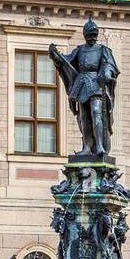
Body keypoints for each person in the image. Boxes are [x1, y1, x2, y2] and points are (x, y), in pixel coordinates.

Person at [48, 18, 119, 158]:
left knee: (96, 111)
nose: (92, 38)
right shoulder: (79, 50)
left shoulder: (103, 50)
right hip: (82, 84)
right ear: (85, 35)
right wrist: (56, 56)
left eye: (94, 35)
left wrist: (106, 72)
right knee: (84, 116)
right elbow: (66, 62)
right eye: (89, 35)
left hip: (96, 83)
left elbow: (109, 65)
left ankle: (99, 145)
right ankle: (86, 146)